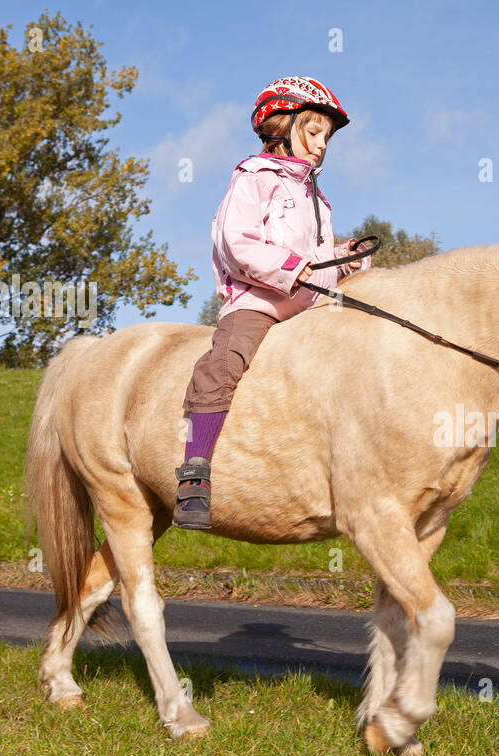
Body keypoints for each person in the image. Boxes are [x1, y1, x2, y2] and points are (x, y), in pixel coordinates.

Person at [174, 76, 370, 530]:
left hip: (311, 308)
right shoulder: (253, 177)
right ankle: (195, 476)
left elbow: (317, 265)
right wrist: (290, 266)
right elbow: (236, 241)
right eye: (313, 132)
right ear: (281, 126)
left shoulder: (317, 198)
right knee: (222, 367)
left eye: (327, 137)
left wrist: (342, 259)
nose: (322, 146)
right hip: (258, 302)